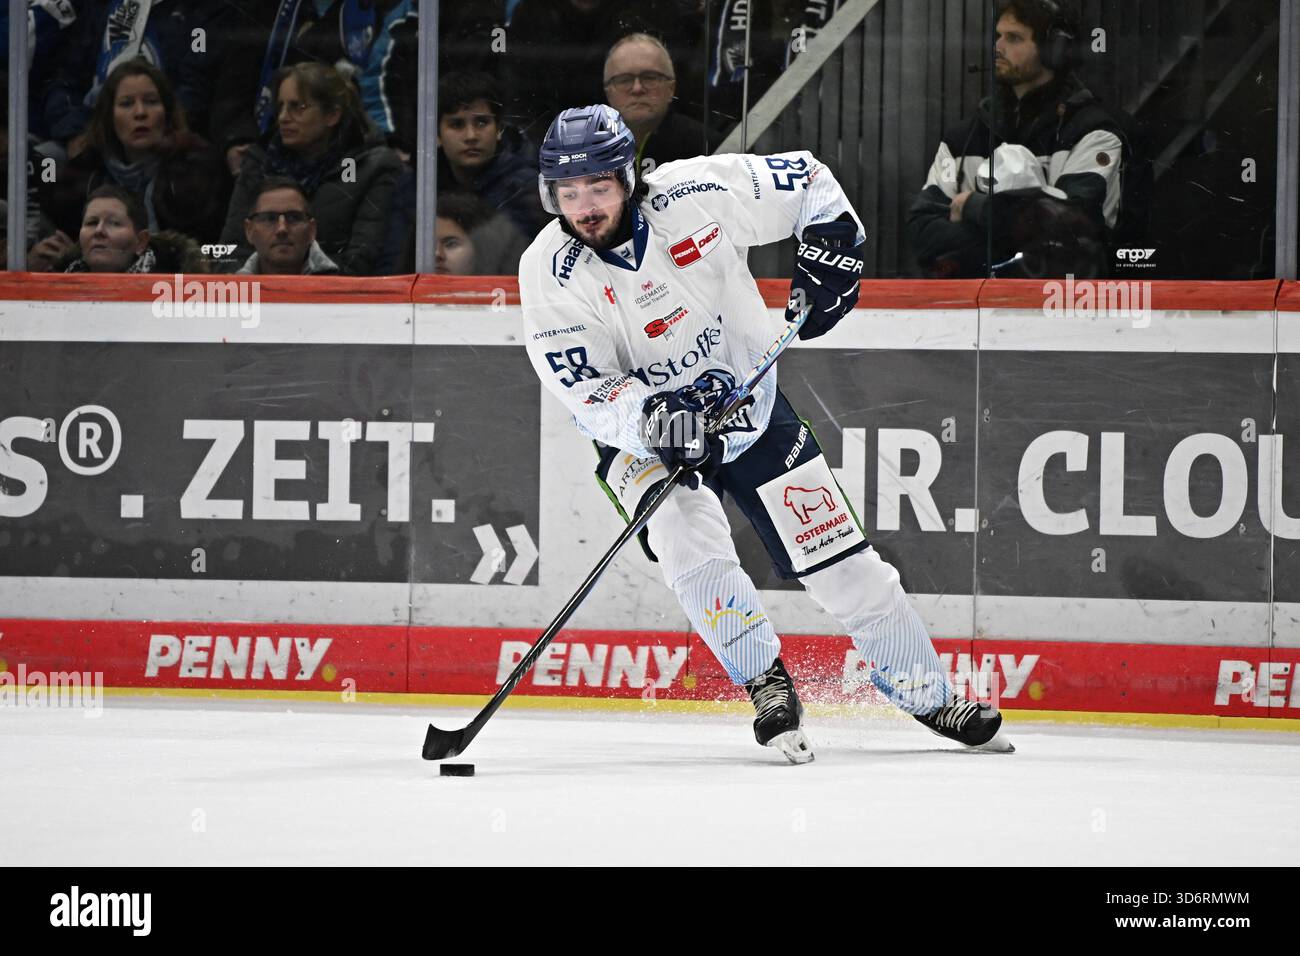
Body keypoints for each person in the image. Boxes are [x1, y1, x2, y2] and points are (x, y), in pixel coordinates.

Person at [519, 105, 1013, 761]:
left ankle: (927, 694)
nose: (582, 206)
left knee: (842, 564)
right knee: (688, 546)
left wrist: (833, 246)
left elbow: (807, 181)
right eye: (568, 191)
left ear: (629, 178)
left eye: (598, 188)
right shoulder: (547, 270)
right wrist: (654, 419)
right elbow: (582, 386)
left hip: (752, 410)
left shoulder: (696, 193)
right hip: (642, 438)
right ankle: (766, 683)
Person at [905, 0, 1124, 278]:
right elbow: (922, 231)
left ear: (1053, 50)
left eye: (1014, 38)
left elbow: (1073, 226)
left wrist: (974, 206)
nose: (998, 47)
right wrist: (1024, 238)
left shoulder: (1093, 133)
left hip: (1061, 309)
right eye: (999, 36)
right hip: (972, 310)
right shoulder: (963, 138)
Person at [219, 62, 403, 275]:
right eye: (281, 107)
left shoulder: (370, 168)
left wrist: (302, 292)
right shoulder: (260, 162)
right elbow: (230, 251)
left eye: (298, 107)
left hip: (335, 300)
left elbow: (361, 259)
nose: (283, 118)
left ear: (332, 115)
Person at [38, 59, 228, 251]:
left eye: (151, 102)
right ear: (109, 116)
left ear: (167, 112)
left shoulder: (199, 169)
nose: (140, 112)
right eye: (126, 103)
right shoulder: (82, 177)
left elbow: (215, 252)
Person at [603, 33, 721, 177]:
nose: (637, 88)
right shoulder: (587, 151)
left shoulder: (709, 150)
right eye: (624, 80)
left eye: (650, 78)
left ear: (671, 88)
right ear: (608, 91)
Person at [48, 185, 207, 274]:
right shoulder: (54, 285)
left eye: (114, 223)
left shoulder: (176, 293)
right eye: (91, 222)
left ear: (141, 242)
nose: (99, 230)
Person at [237, 178, 340, 276]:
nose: (282, 229)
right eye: (269, 218)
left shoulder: (345, 291)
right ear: (249, 230)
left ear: (311, 230)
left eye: (294, 218)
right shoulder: (229, 293)